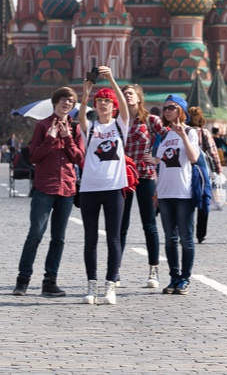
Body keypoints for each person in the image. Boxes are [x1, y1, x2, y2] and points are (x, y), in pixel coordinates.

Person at [12, 86, 84, 297]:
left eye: (70, 101)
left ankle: (50, 281)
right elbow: (33, 157)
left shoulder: (76, 128)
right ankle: (22, 280)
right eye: (63, 100)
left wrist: (67, 137)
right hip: (45, 187)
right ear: (55, 102)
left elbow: (80, 159)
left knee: (59, 238)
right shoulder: (42, 126)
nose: (66, 104)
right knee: (36, 233)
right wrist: (51, 138)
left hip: (67, 189)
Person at [76, 65, 129, 305]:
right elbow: (80, 118)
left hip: (114, 188)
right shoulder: (92, 128)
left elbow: (126, 107)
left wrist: (112, 80)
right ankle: (91, 286)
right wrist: (86, 93)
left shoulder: (119, 126)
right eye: (99, 102)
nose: (102, 104)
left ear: (113, 106)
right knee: (90, 239)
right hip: (89, 189)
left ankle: (110, 286)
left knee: (113, 238)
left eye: (106, 101)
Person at [119, 83, 165, 289]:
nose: (127, 96)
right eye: (124, 94)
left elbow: (170, 136)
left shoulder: (150, 120)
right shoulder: (119, 121)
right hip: (123, 177)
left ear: (139, 98)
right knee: (121, 225)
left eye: (130, 94)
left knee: (149, 224)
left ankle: (153, 270)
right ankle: (115, 271)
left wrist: (157, 158)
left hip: (145, 176)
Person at [153, 94, 200, 294]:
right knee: (170, 239)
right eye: (165, 108)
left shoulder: (190, 132)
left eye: (172, 107)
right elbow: (160, 164)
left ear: (181, 110)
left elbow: (193, 158)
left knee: (186, 238)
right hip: (164, 192)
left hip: (183, 193)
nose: (167, 111)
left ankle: (185, 278)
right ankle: (173, 277)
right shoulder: (163, 135)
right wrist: (155, 192)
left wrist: (182, 136)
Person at [187, 107, 222, 244]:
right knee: (203, 201)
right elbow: (213, 152)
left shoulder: (184, 131)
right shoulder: (203, 132)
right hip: (202, 171)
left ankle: (186, 230)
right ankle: (201, 233)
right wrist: (218, 168)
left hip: (185, 171)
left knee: (187, 201)